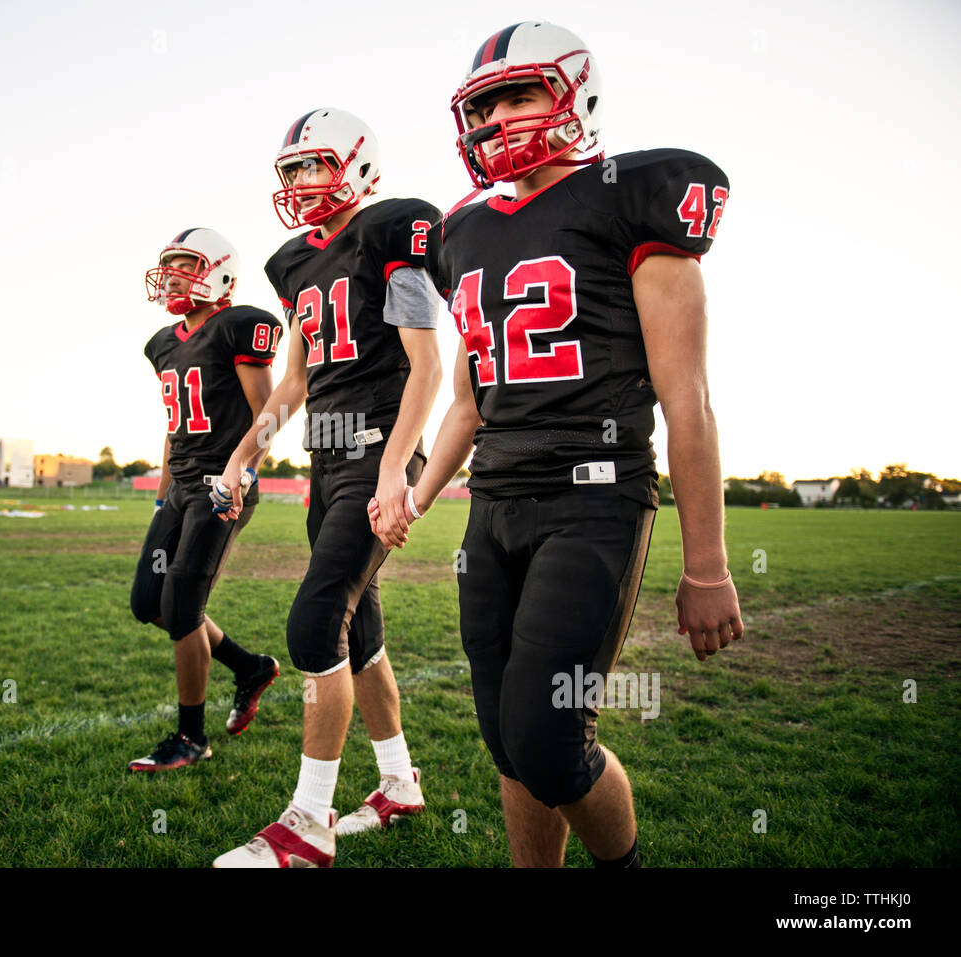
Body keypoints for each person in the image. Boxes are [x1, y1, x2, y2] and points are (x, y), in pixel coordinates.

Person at [387, 21, 744, 868]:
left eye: (520, 95)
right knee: (510, 742)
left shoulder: (632, 194)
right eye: (486, 105)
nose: (500, 119)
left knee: (550, 739)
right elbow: (469, 400)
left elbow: (686, 397)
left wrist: (708, 565)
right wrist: (418, 489)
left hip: (594, 498)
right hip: (496, 505)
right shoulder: (462, 230)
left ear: (574, 94)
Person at [212, 109, 444, 868]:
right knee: (362, 637)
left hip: (382, 450)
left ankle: (308, 822)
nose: (301, 183)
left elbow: (428, 366)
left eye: (315, 166)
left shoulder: (391, 232)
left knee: (315, 623)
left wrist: (392, 468)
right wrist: (244, 455)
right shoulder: (292, 265)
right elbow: (295, 383)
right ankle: (398, 782)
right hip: (328, 462)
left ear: (359, 166)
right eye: (292, 171)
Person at [127, 227, 283, 772]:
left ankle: (191, 738)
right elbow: (173, 426)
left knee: (181, 610)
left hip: (222, 484)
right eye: (169, 265)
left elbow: (271, 412)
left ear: (218, 272)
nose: (173, 275)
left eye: (187, 264)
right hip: (180, 489)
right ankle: (249, 667)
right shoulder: (163, 343)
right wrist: (162, 489)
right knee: (149, 603)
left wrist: (241, 475)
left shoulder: (238, 326)